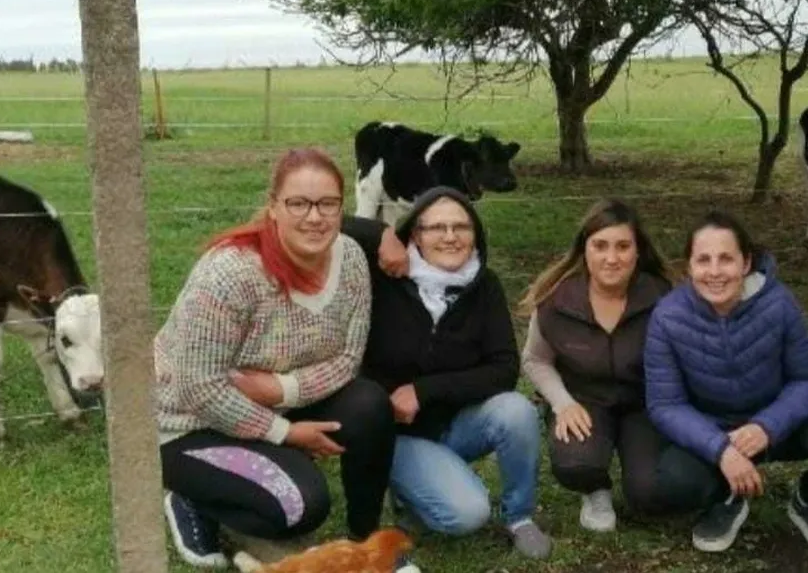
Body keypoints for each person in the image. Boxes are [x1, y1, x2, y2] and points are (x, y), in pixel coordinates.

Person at [152, 148, 403, 570]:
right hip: (188, 423)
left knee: (370, 406)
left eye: (327, 203)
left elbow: (347, 358)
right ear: (273, 208)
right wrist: (285, 432)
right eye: (298, 203)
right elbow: (199, 386)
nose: (314, 217)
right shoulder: (230, 274)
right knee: (300, 506)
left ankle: (365, 541)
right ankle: (193, 498)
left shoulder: (352, 260)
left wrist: (281, 390)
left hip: (277, 399)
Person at [340, 186, 553, 560]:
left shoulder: (484, 286)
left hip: (457, 425)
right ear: (415, 235)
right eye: (436, 227)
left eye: (462, 227)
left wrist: (424, 391)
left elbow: (503, 369)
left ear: (476, 235)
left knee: (517, 409)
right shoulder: (383, 279)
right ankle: (412, 492)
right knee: (468, 514)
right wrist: (383, 234)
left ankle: (519, 517)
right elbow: (330, 223)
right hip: (394, 436)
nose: (451, 236)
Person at [644, 210, 808, 555]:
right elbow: (665, 404)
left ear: (746, 262)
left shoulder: (779, 304)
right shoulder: (667, 316)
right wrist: (719, 449)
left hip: (778, 423)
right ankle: (725, 499)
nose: (715, 271)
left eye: (726, 258)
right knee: (672, 482)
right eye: (703, 260)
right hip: (713, 428)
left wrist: (767, 426)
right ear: (688, 267)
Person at [516, 197, 675, 532]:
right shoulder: (556, 299)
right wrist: (563, 403)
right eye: (600, 245)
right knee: (576, 463)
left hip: (644, 404)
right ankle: (595, 488)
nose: (611, 258)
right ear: (584, 249)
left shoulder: (664, 298)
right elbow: (535, 358)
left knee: (650, 493)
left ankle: (639, 476)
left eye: (622, 246)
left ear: (638, 251)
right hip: (583, 399)